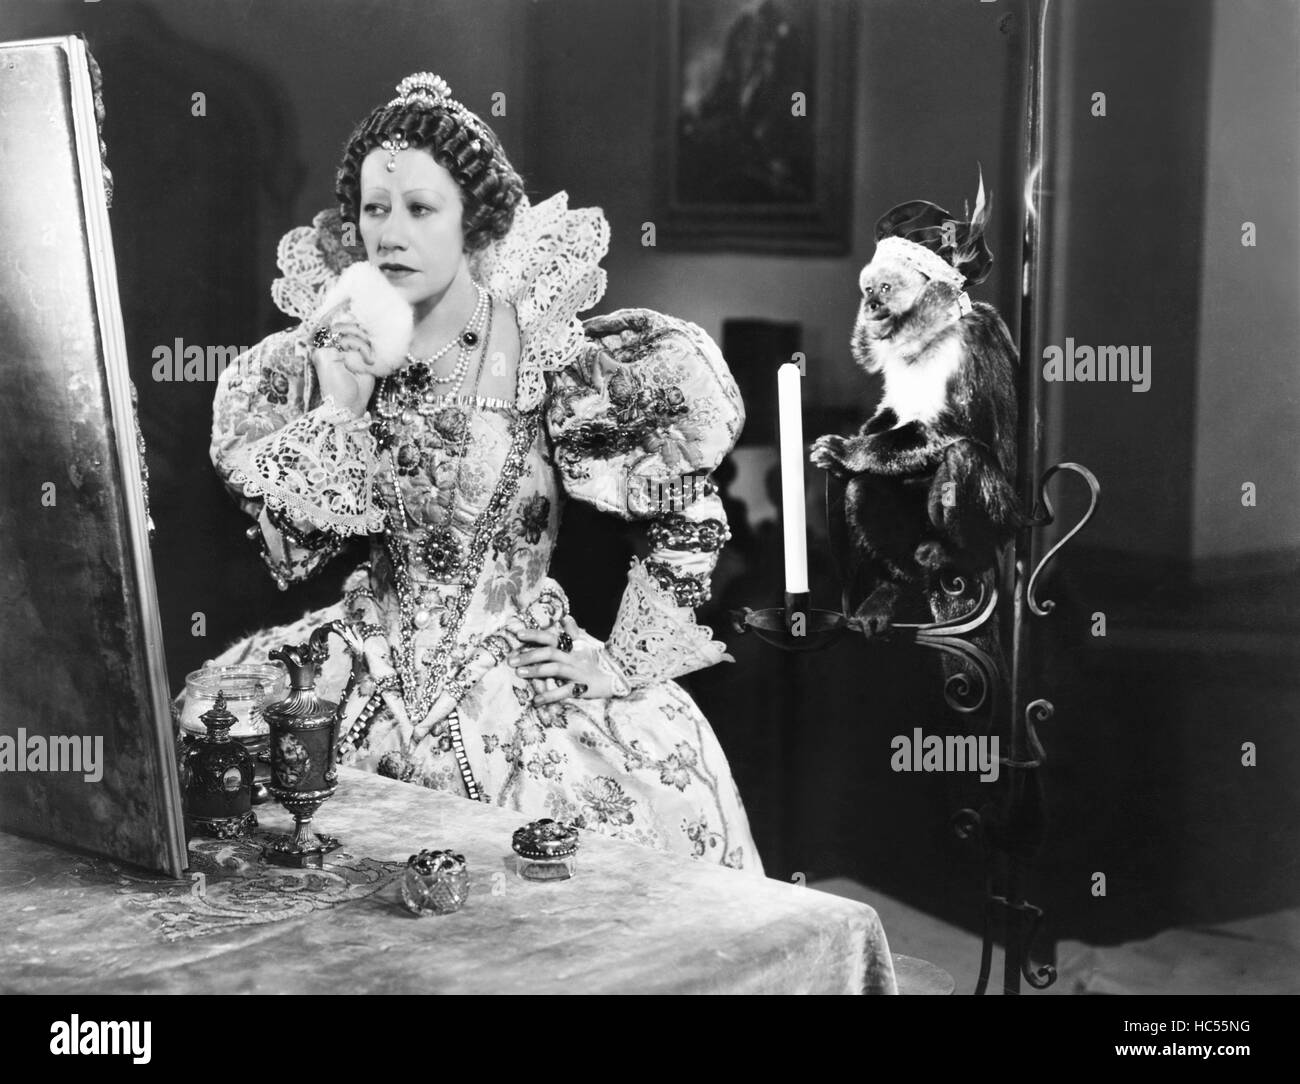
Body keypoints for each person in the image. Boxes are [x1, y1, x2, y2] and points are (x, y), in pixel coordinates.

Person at [204, 73, 761, 873]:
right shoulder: (338, 350)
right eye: (374, 209)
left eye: (420, 209)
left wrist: (622, 662)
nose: (389, 234)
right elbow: (292, 555)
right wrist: (342, 410)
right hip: (360, 665)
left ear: (475, 223)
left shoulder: (544, 352)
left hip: (515, 671)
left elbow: (686, 510)